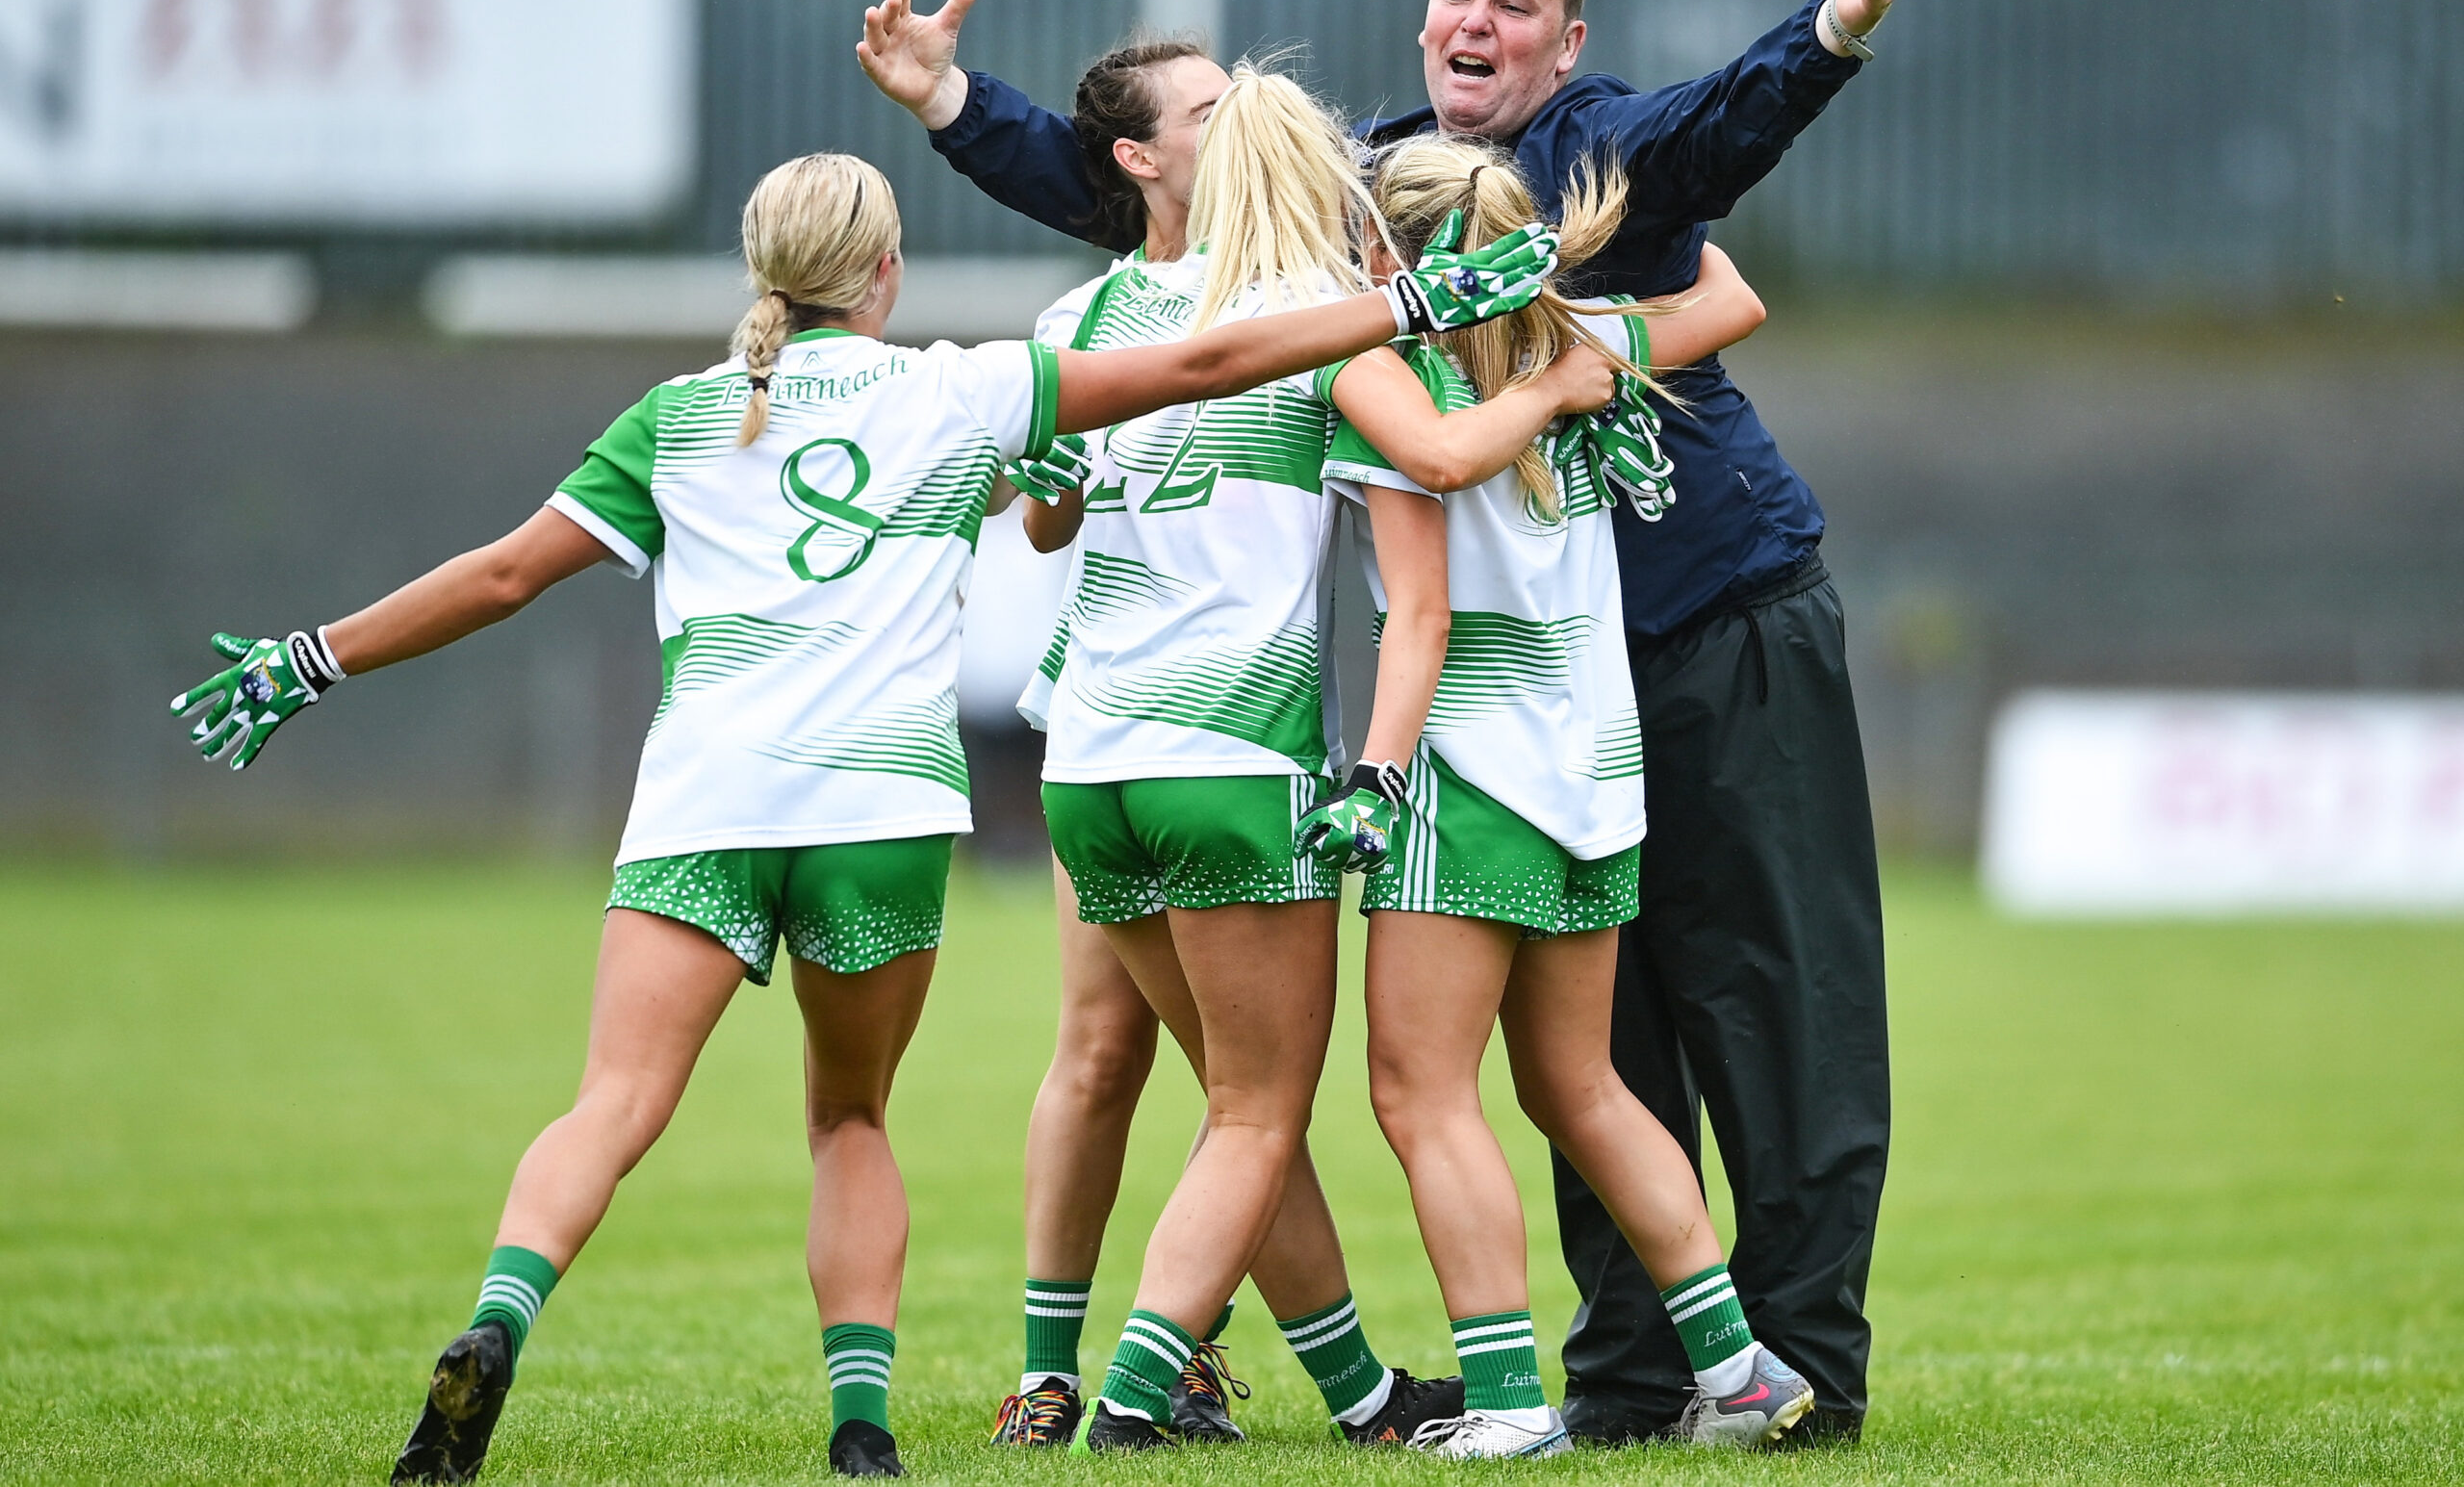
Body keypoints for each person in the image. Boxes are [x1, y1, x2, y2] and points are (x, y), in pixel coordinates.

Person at [166, 150, 1562, 1483]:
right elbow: (1199, 363)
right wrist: (1405, 302)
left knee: (614, 1103)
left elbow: (501, 577)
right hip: (879, 808)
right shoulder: (958, 393)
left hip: (701, 803)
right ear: (885, 270)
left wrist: (317, 654)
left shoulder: (681, 414)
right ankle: (860, 1430)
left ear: (763, 269)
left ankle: (501, 1319)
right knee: (850, 1116)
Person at [859, 0, 1906, 1443]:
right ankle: (1651, 1372)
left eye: (1513, 3)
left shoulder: (1585, 163)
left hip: (1704, 627)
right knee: (1586, 1066)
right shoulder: (1378, 212)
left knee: (1758, 1011)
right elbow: (1153, 188)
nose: (1473, 20)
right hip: (1566, 693)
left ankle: (1772, 1363)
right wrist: (952, 104)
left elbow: (1716, 152)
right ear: (1425, 13)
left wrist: (1831, 34)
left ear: (1567, 44)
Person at [964, 54, 1617, 1454]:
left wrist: (1063, 487)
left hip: (1084, 765)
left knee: (1219, 1107)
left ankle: (1354, 1395)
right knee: (1258, 1114)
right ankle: (1137, 1397)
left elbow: (1041, 518)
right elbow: (1440, 461)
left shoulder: (1080, 312)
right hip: (1226, 753)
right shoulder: (1318, 325)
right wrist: (1566, 385)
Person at [1299, 134, 1811, 1457]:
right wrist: (1623, 192)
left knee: (1422, 1093)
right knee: (1576, 1083)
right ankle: (1740, 1368)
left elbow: (1421, 605)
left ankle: (1511, 1403)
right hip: (1598, 774)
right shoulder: (1576, 343)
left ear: (1387, 258)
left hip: (1470, 774)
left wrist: (1377, 777)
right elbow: (1733, 298)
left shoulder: (1387, 374)